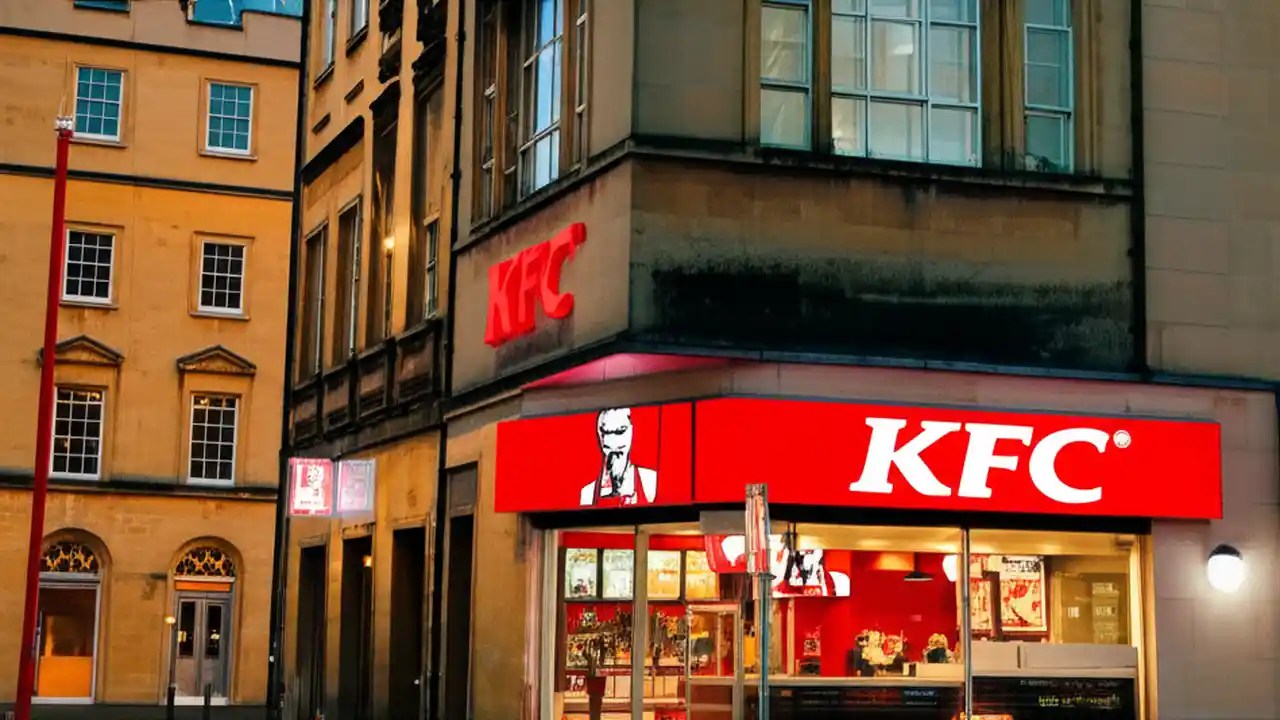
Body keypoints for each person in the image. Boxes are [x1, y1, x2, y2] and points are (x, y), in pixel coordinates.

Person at [579, 408, 658, 507]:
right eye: (606, 432)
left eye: (620, 431)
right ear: (600, 435)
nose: (613, 442)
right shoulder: (588, 493)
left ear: (632, 431)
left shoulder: (650, 481)